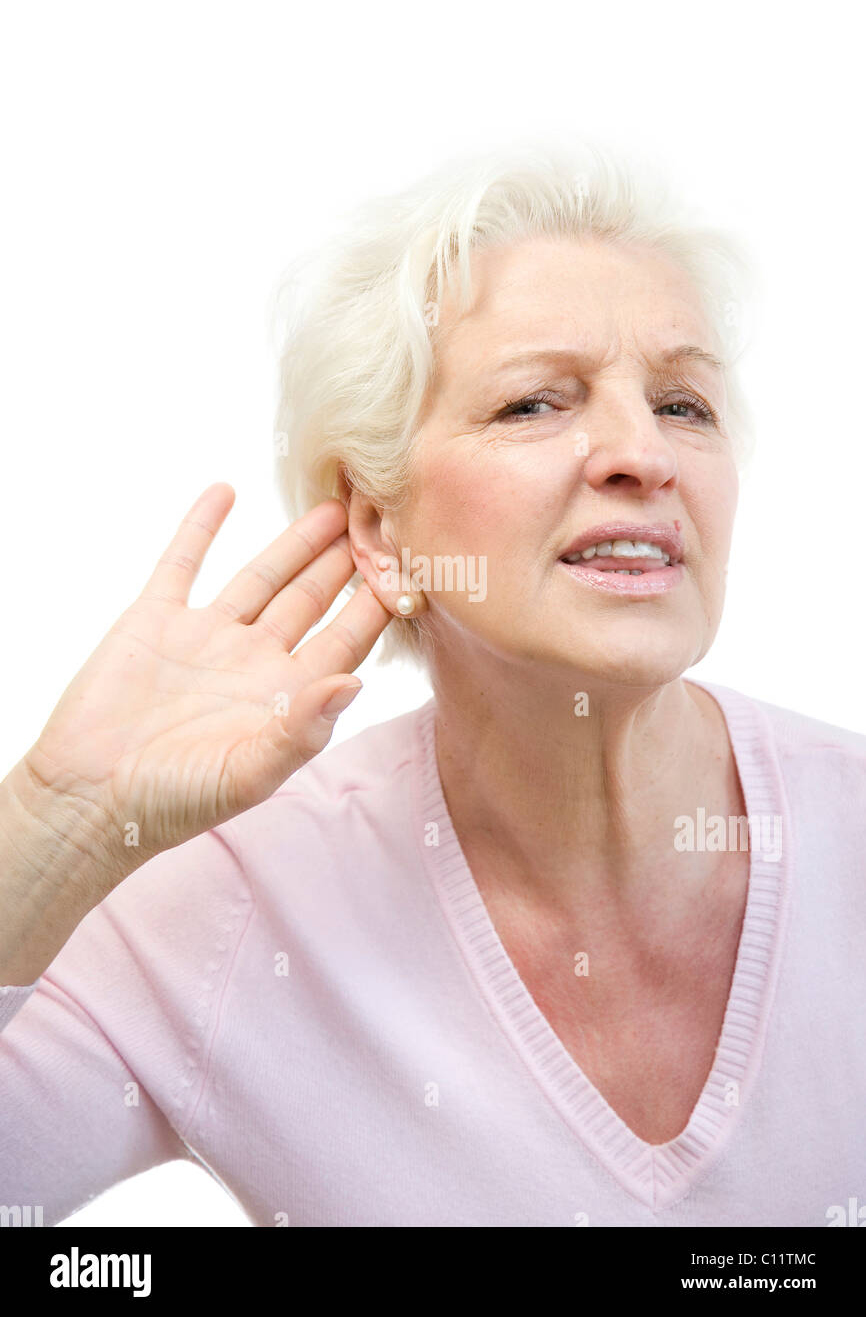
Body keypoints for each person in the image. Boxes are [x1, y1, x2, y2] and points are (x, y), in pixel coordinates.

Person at [1, 142, 864, 1227]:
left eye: (682, 403)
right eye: (534, 403)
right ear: (379, 529)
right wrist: (54, 819)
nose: (640, 453)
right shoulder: (227, 906)